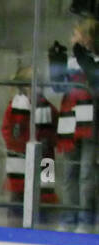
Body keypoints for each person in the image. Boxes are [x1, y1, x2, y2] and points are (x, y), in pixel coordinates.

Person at [54, 17, 98, 232]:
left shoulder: (94, 62)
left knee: (86, 173)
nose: (72, 39)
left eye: (76, 35)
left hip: (90, 123)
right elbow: (57, 88)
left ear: (87, 38)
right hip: (69, 122)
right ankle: (68, 216)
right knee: (69, 173)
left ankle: (85, 219)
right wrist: (56, 64)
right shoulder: (71, 62)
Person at [1, 66, 59, 226]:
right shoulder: (13, 107)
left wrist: (49, 140)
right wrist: (17, 144)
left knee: (46, 195)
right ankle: (15, 227)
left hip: (46, 158)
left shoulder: (49, 108)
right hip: (19, 158)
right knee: (17, 195)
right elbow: (7, 130)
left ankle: (46, 227)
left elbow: (55, 129)